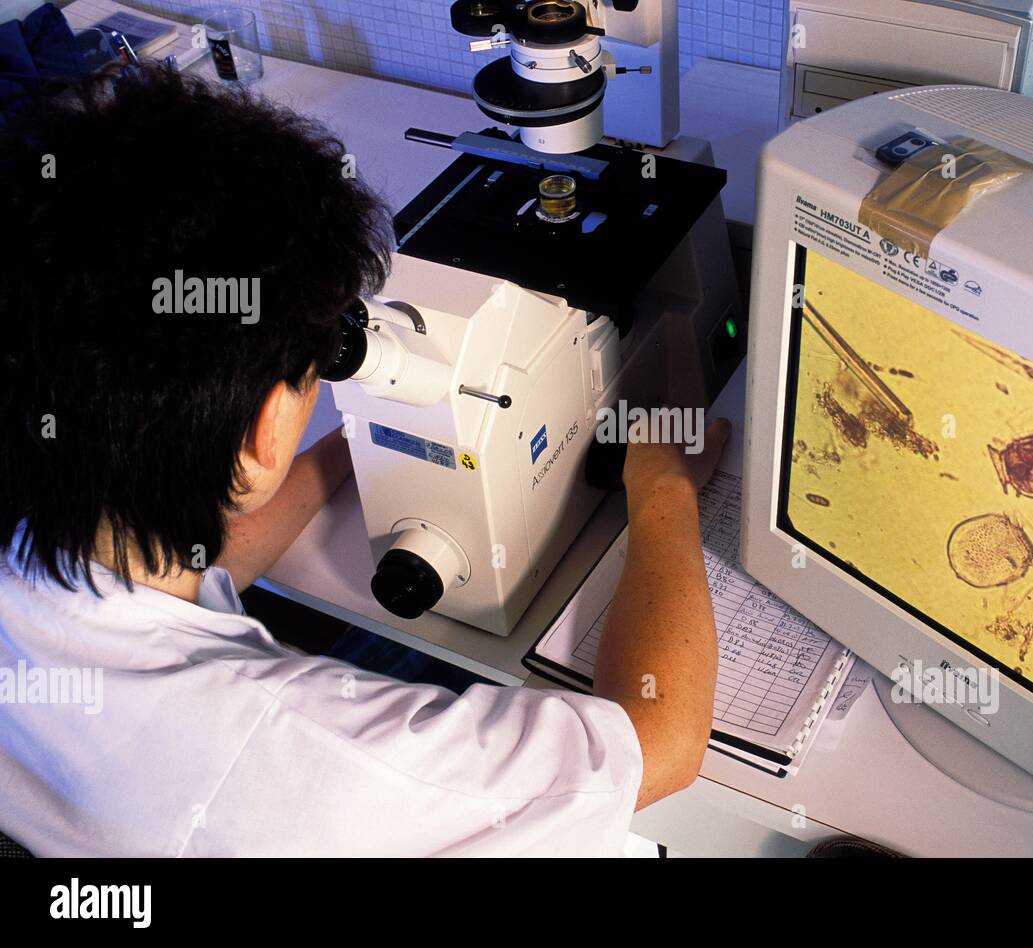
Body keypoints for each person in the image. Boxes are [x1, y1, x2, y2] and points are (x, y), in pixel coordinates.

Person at [0, 65, 728, 856]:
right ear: (260, 435)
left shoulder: (48, 539)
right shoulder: (317, 754)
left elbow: (199, 567)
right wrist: (661, 493)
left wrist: (360, 445)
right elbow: (662, 744)